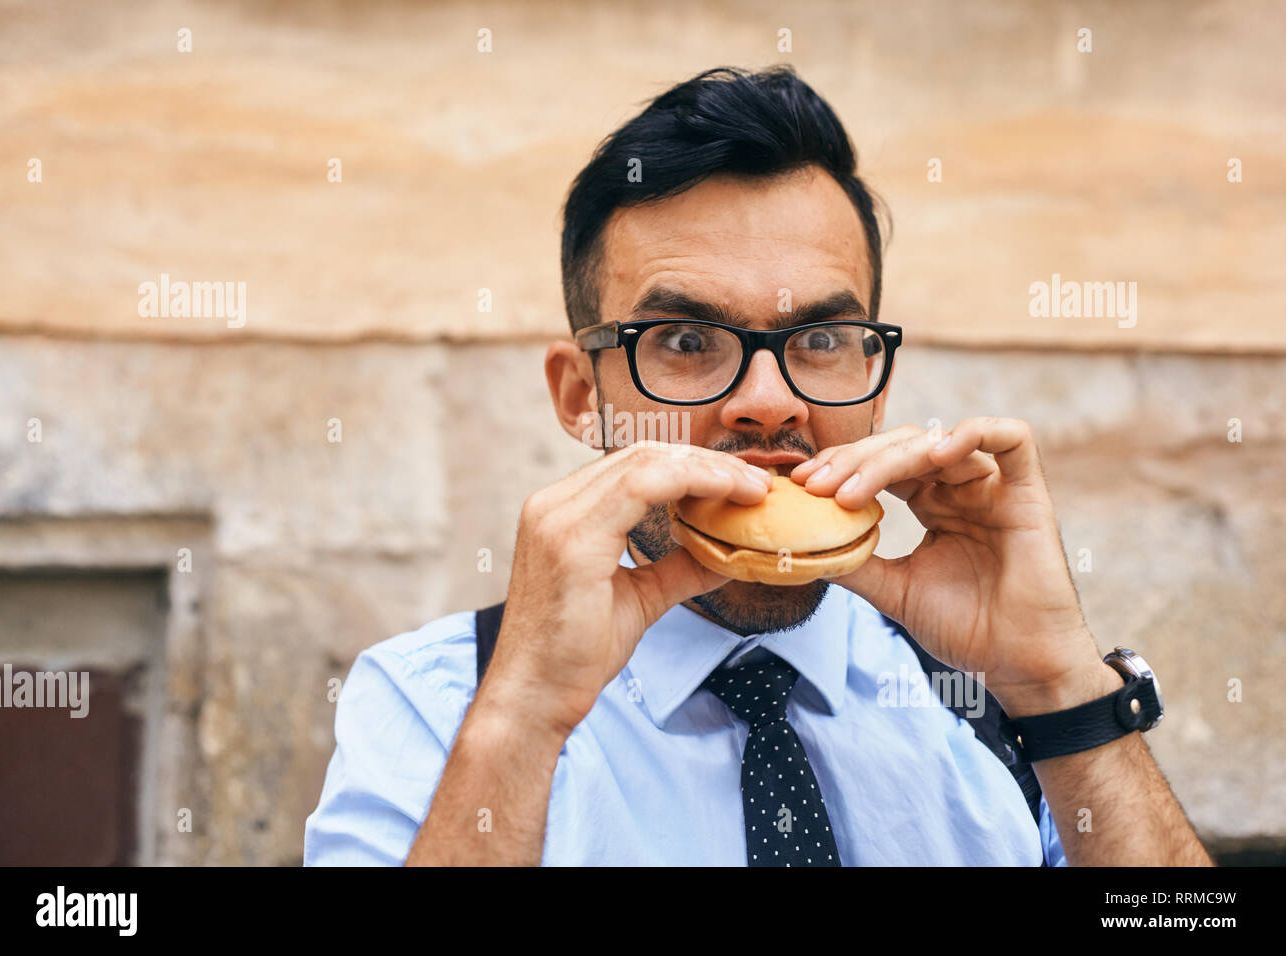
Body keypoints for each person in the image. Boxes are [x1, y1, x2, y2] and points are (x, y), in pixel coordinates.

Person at [304, 65, 1211, 866]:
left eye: (820, 338)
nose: (770, 400)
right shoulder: (438, 702)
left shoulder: (997, 707)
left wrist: (1058, 686)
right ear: (584, 398)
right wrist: (524, 717)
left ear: (874, 385)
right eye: (688, 339)